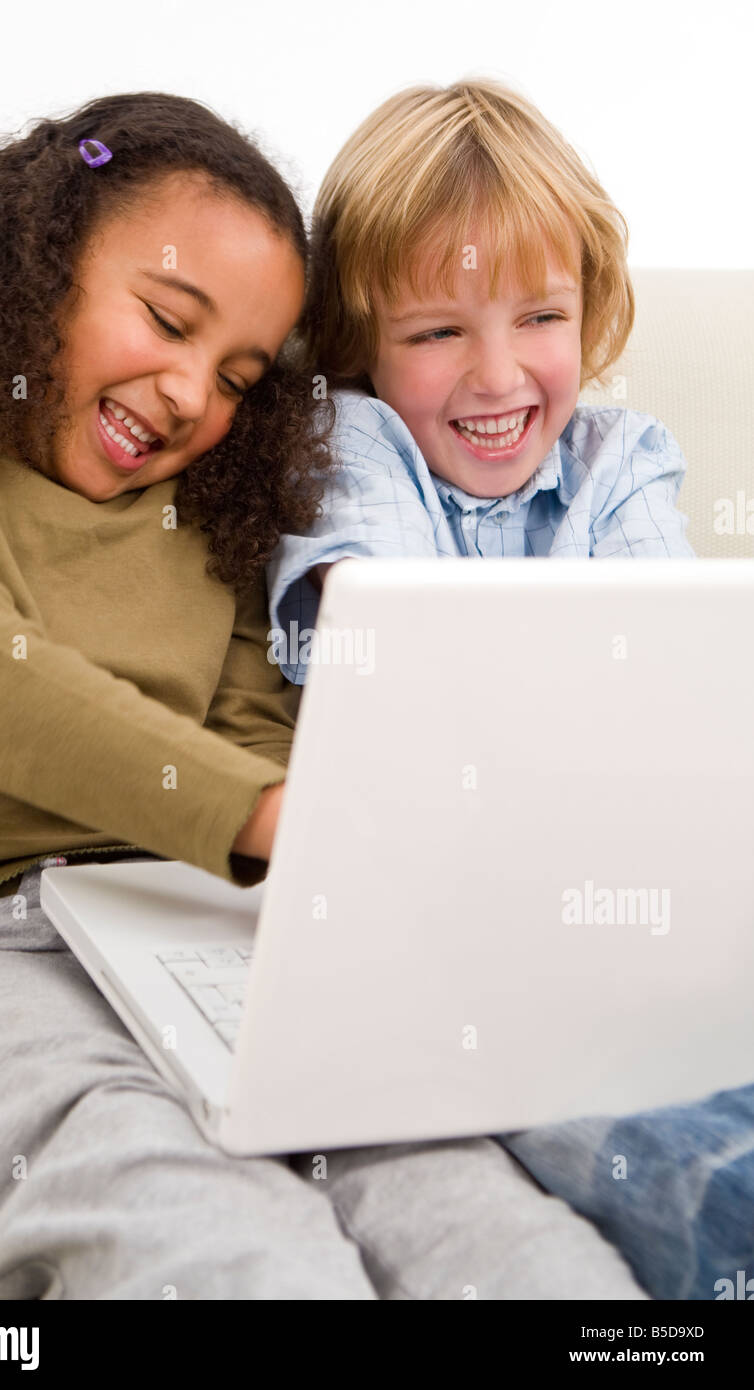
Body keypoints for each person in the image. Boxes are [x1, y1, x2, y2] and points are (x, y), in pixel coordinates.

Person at [0, 91, 646, 1300]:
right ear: (32, 267)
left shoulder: (217, 505)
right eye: (165, 320)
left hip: (192, 910)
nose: (191, 394)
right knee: (164, 1186)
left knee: (447, 1181)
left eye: (238, 373)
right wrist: (283, 819)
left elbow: (247, 716)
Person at [264, 76, 754, 1301]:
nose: (496, 378)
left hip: (633, 903)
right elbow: (401, 671)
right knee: (603, 1113)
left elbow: (674, 683)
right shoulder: (349, 441)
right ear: (360, 348)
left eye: (538, 316)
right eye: (435, 333)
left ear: (588, 311)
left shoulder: (617, 455)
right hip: (441, 936)